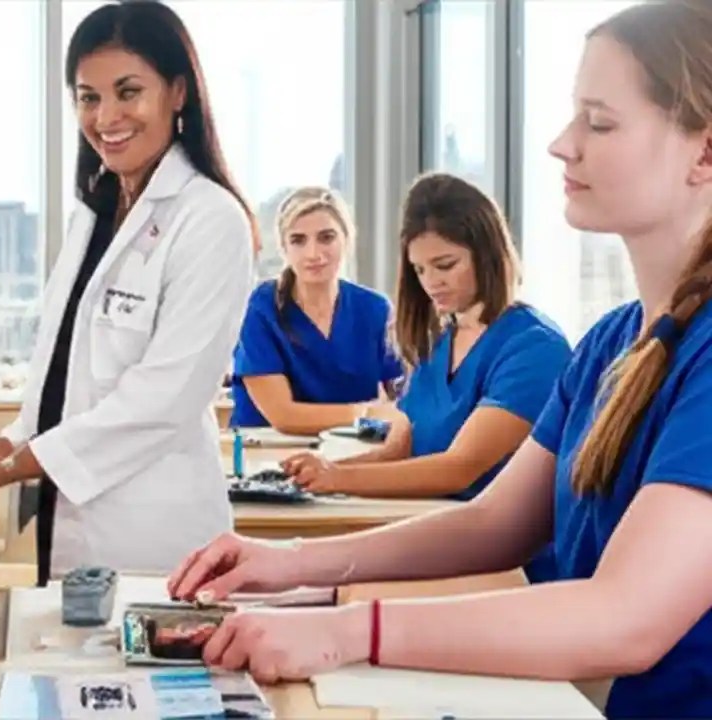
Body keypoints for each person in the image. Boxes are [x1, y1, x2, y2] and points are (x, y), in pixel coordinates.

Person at [168, 2, 712, 716]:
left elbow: (625, 619)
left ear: (704, 153)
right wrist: (288, 563)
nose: (561, 144)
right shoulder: (612, 343)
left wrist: (346, 632)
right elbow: (493, 524)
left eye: (599, 123)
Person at [0, 1, 256, 584]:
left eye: (128, 92)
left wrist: (4, 469)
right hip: (74, 528)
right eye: (88, 97)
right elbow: (62, 383)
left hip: (155, 539)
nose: (106, 116)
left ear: (178, 91)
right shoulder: (95, 214)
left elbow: (163, 400)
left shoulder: (210, 218)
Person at [282, 173, 571, 502]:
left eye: (445, 265)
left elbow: (459, 469)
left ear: (487, 255)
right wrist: (314, 474)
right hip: (426, 518)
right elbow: (399, 451)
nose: (431, 282)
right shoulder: (440, 341)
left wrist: (337, 477)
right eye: (419, 270)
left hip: (489, 531)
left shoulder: (535, 348)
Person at [229, 187, 403, 434]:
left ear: (347, 239)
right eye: (298, 241)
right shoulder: (261, 308)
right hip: (266, 449)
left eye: (326, 238)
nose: (313, 254)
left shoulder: (375, 309)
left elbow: (402, 402)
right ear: (283, 247)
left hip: (351, 448)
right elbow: (284, 416)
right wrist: (366, 413)